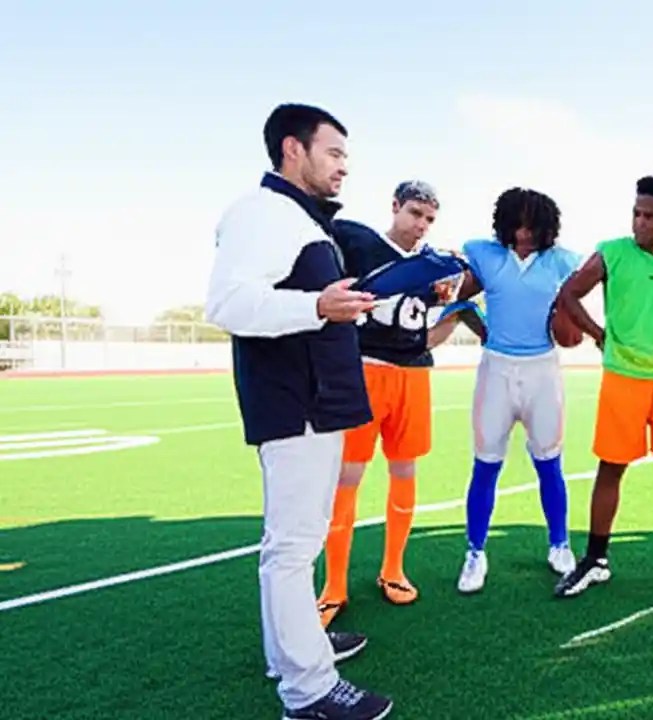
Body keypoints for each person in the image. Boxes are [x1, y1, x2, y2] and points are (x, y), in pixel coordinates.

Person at [204, 103, 393, 720]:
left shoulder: (297, 218)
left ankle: (293, 647)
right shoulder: (261, 213)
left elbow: (313, 301)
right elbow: (229, 303)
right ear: (293, 149)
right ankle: (307, 689)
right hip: (296, 404)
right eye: (334, 153)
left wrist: (336, 303)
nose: (344, 167)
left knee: (292, 546)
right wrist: (318, 306)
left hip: (319, 400)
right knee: (292, 548)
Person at [314, 180, 467, 628]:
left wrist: (455, 315)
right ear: (396, 207)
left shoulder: (432, 265)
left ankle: (393, 568)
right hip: (365, 370)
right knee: (349, 474)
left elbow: (423, 328)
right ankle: (335, 584)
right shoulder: (357, 240)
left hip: (414, 374)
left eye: (429, 219)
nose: (421, 225)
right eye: (415, 213)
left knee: (405, 469)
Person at [552, 176, 653, 606]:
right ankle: (595, 560)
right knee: (611, 468)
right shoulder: (611, 253)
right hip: (624, 376)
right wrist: (598, 334)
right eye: (636, 213)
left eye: (650, 216)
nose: (640, 222)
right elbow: (569, 294)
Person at [454, 187, 582, 594]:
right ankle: (475, 551)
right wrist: (482, 329)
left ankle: (559, 544)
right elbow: (457, 299)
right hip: (496, 369)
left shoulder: (564, 261)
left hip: (543, 370)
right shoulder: (485, 254)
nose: (523, 232)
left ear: (546, 226)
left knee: (549, 463)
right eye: (516, 222)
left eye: (531, 224)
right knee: (486, 464)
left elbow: (574, 315)